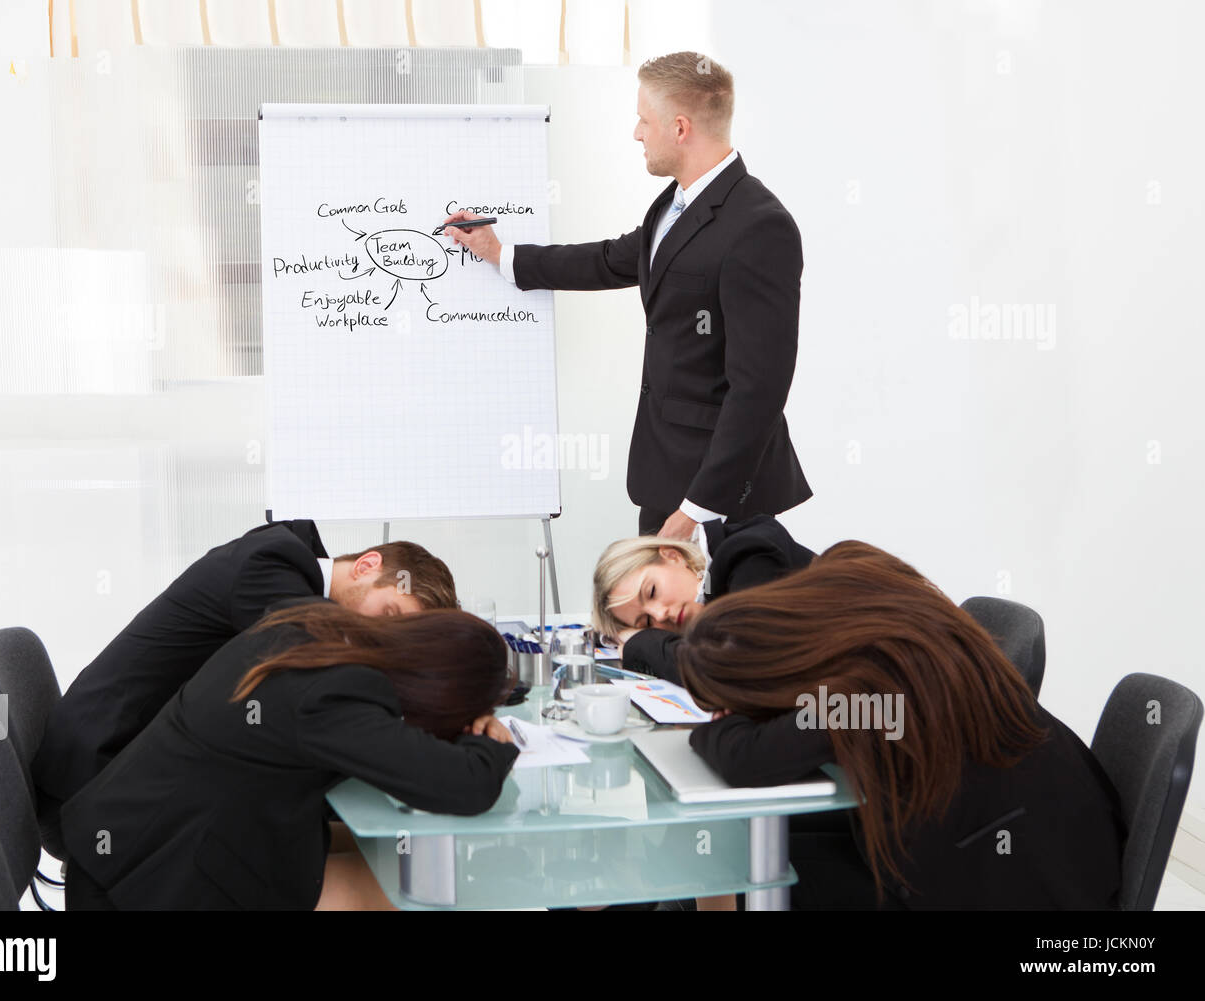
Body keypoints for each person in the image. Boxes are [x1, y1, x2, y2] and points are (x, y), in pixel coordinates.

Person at [440, 51, 811, 538]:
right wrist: (501, 254)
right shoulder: (676, 202)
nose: (637, 132)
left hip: (724, 501)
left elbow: (760, 388)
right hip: (666, 481)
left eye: (644, 120)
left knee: (719, 618)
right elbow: (611, 259)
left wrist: (699, 509)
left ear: (680, 128)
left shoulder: (760, 226)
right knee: (652, 614)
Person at [674, 541, 1125, 909]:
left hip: (1034, 884)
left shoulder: (866, 695)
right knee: (756, 850)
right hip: (1053, 835)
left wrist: (711, 727)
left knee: (748, 873)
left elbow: (748, 761)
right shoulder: (862, 603)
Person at [60, 598, 518, 910]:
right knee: (410, 890)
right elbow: (465, 787)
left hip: (128, 847)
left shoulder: (313, 628)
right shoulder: (339, 693)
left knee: (385, 852)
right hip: (146, 885)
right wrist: (488, 740)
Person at [33, 518, 458, 825]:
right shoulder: (269, 569)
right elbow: (326, 680)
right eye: (387, 613)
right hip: (93, 780)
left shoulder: (292, 570)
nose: (377, 637)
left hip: (126, 768)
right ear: (367, 566)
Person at [591, 514, 814, 682]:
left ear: (672, 555)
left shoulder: (747, 553)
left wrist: (639, 645)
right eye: (647, 623)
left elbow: (733, 669)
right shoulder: (705, 592)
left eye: (651, 592)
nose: (660, 614)